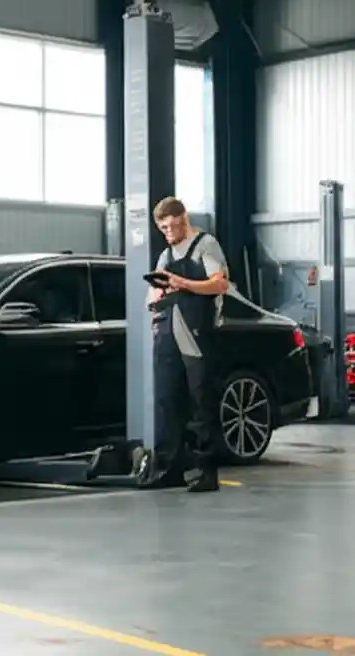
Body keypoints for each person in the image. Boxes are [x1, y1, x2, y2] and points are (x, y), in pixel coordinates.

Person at [135, 196, 231, 493]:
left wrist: (184, 284)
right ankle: (168, 468)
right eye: (162, 227)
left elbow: (220, 283)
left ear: (183, 218)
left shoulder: (205, 244)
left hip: (195, 332)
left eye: (171, 225)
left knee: (200, 401)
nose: (167, 231)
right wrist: (155, 300)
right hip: (166, 331)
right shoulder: (165, 256)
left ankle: (206, 471)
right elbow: (153, 295)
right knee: (167, 399)